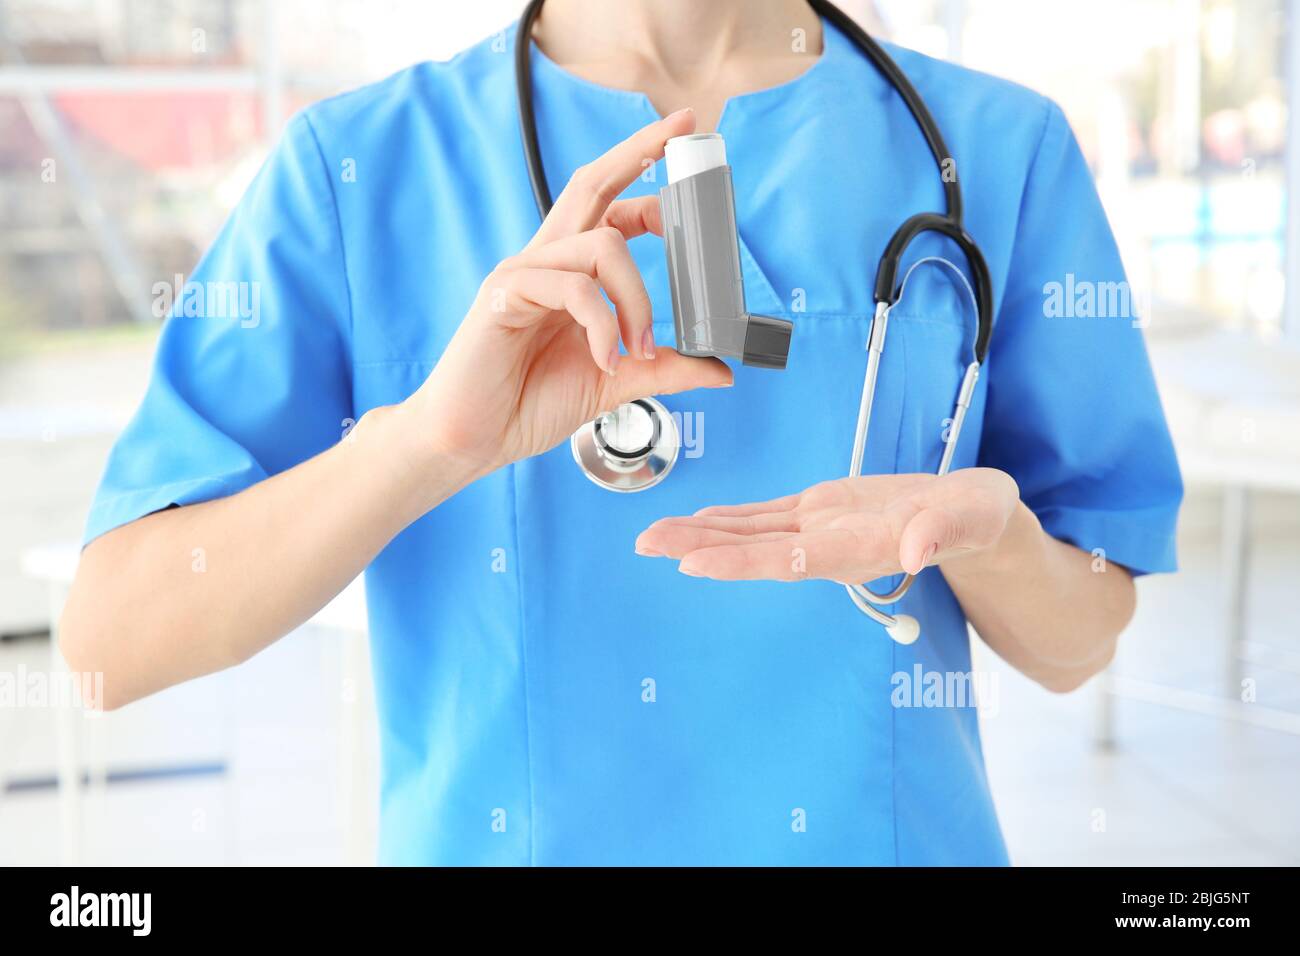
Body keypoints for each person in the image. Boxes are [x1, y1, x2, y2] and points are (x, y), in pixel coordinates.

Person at [60, 0, 1182, 865]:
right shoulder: (361, 169)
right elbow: (111, 639)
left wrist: (992, 542)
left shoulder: (997, 150)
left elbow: (1077, 637)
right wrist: (422, 447)